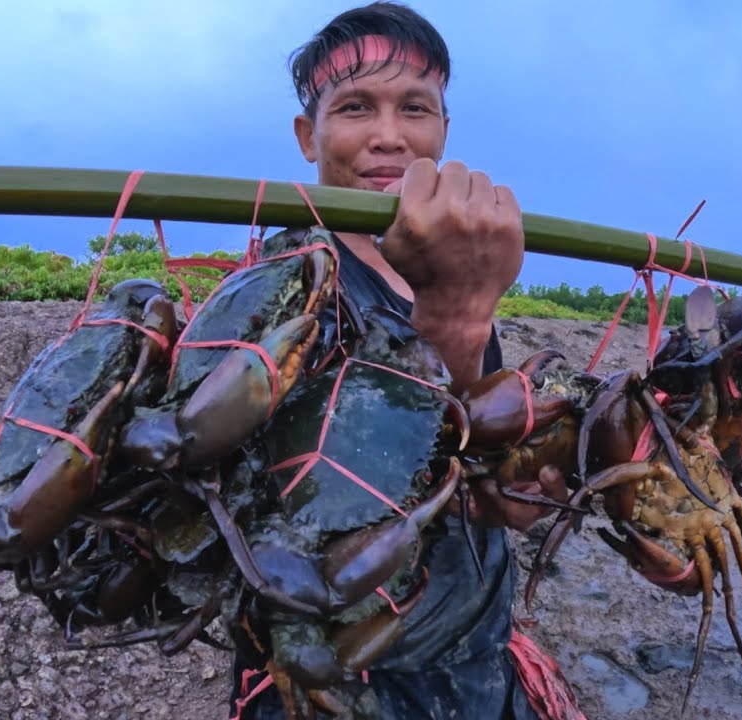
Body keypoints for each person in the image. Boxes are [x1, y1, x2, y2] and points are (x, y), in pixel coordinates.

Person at [229, 3, 574, 718]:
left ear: (443, 129)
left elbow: (464, 457)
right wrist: (454, 315)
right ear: (307, 136)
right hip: (342, 667)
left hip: (474, 644)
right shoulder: (282, 290)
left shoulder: (450, 257)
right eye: (355, 107)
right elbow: (324, 507)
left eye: (415, 108)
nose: (389, 135)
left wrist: (501, 491)